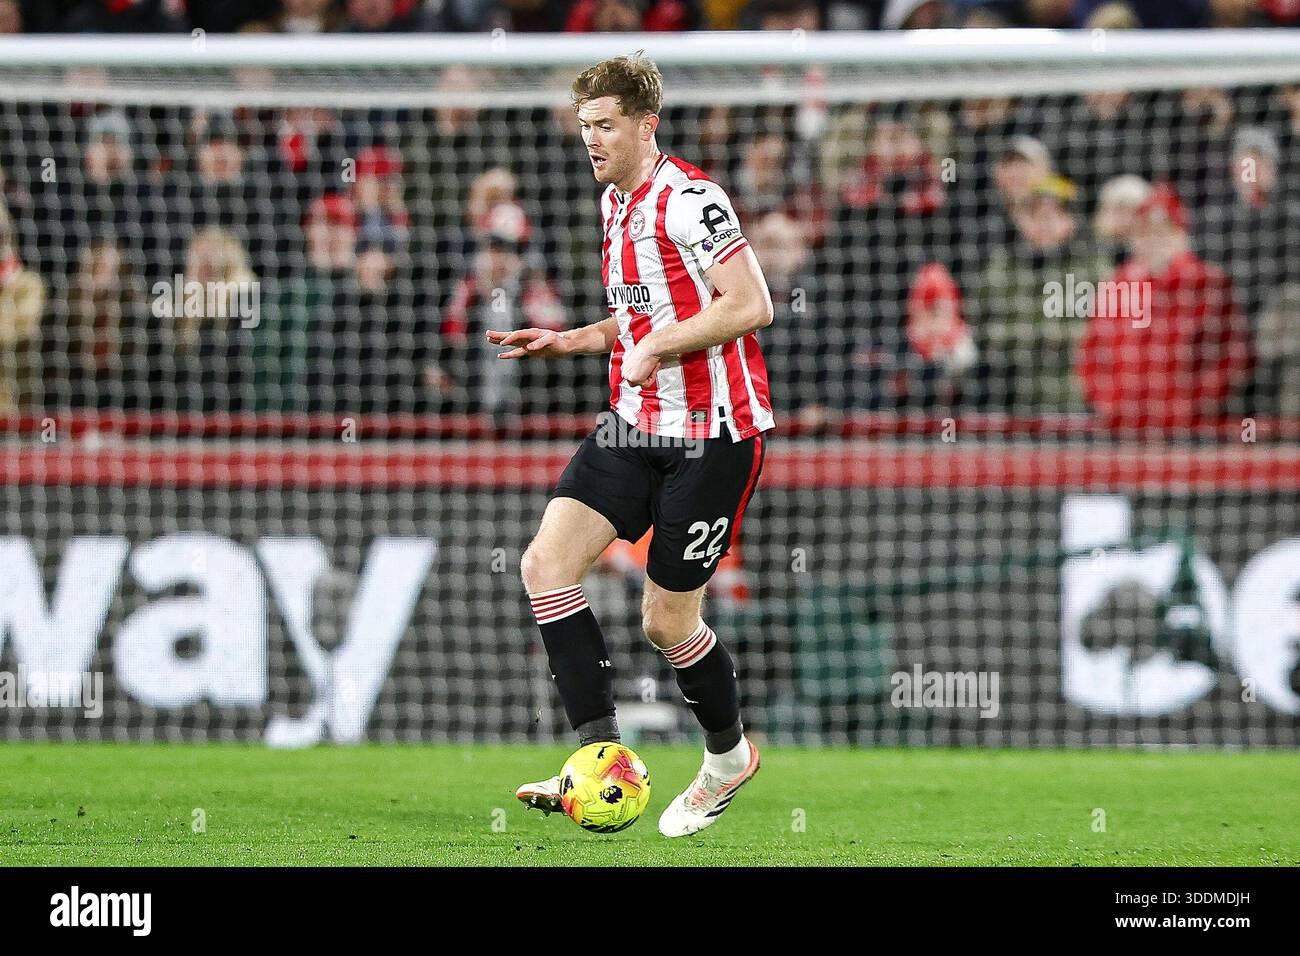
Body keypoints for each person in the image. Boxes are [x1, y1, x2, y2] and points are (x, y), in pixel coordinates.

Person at [491, 53, 773, 838]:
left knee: (665, 623)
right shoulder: (615, 203)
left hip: (713, 434)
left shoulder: (692, 200)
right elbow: (644, 313)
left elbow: (751, 304)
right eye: (584, 126)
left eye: (605, 125)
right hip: (632, 420)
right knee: (546, 563)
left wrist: (660, 349)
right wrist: (576, 338)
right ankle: (599, 762)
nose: (592, 139)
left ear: (647, 125)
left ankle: (727, 758)